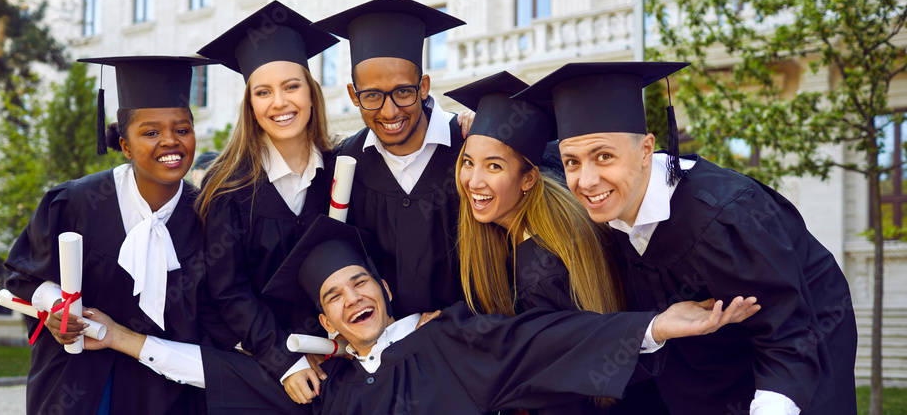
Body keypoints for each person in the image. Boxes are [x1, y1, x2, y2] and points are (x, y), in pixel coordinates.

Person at [81, 214, 762, 414]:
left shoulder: (454, 340)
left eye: (358, 283)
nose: (352, 300)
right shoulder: (325, 384)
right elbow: (212, 370)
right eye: (334, 298)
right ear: (327, 321)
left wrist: (652, 326)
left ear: (382, 286)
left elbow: (544, 339)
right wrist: (115, 336)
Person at [515, 61, 858, 415]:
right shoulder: (613, 205)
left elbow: (787, 335)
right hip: (710, 361)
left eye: (604, 156)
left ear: (646, 150)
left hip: (799, 346)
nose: (586, 181)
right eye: (572, 162)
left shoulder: (723, 216)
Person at [4, 56, 218, 414]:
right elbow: (25, 279)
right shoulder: (75, 201)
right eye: (151, 132)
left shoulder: (210, 217)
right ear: (125, 145)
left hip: (165, 393)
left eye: (182, 129)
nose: (170, 141)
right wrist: (57, 307)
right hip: (78, 384)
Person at [446, 71, 670, 415]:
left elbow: (567, 380)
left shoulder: (542, 271)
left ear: (528, 179)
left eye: (494, 166)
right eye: (468, 162)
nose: (474, 181)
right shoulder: (553, 213)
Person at [193, 1, 340, 384]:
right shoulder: (227, 186)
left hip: (339, 361)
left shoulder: (342, 171)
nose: (279, 103)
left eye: (292, 86)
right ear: (250, 104)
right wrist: (284, 362)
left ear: (310, 93)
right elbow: (229, 291)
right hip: (260, 368)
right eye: (263, 92)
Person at [311, 0, 469, 316]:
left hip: (472, 343)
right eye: (371, 96)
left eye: (403, 91)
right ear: (353, 96)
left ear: (424, 86)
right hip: (386, 355)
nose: (389, 111)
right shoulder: (345, 165)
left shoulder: (469, 148)